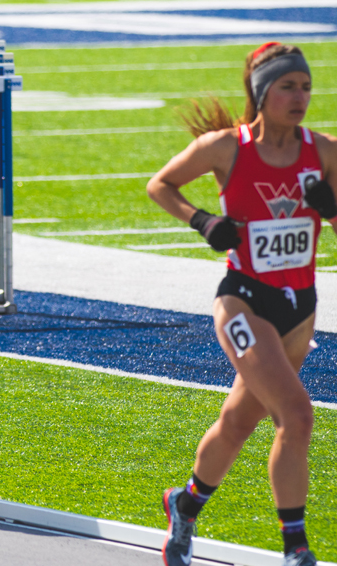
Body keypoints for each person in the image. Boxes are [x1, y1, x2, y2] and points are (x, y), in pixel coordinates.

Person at [147, 42, 336, 566]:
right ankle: (296, 548)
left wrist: (334, 209)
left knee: (238, 422)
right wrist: (203, 221)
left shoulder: (324, 152)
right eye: (287, 87)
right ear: (262, 92)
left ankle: (184, 506)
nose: (300, 97)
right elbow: (160, 185)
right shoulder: (226, 148)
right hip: (243, 301)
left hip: (300, 306)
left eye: (306, 86)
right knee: (297, 415)